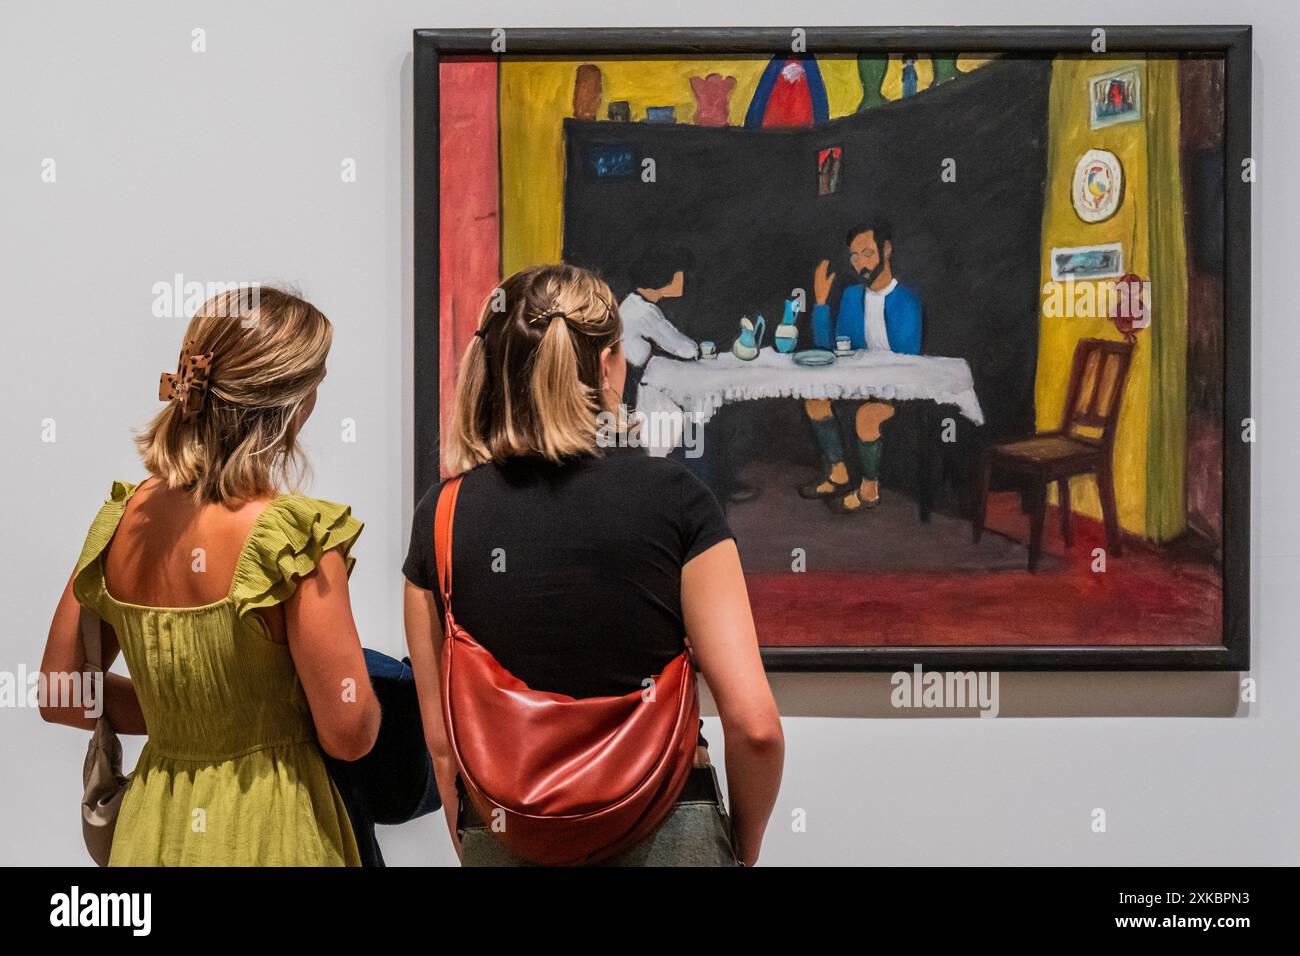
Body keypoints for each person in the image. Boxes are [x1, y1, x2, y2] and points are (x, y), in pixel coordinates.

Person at [404, 263, 784, 866]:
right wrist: (742, 849)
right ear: (609, 365)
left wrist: (483, 846)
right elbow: (756, 729)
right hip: (669, 829)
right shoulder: (678, 500)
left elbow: (443, 744)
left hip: (505, 835)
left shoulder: (442, 515)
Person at [39, 287, 380, 866]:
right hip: (272, 828)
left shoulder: (123, 521)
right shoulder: (294, 540)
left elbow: (61, 694)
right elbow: (349, 733)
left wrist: (187, 713)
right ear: (292, 402)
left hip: (156, 830)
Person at [799, 220, 923, 514]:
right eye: (855, 257)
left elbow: (906, 363)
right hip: (857, 384)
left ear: (886, 250)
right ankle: (839, 473)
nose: (861, 264)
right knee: (815, 401)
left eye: (867, 253)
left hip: (896, 389)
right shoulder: (852, 297)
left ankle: (869, 490)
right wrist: (819, 303)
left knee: (867, 415)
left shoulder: (907, 302)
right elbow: (831, 349)